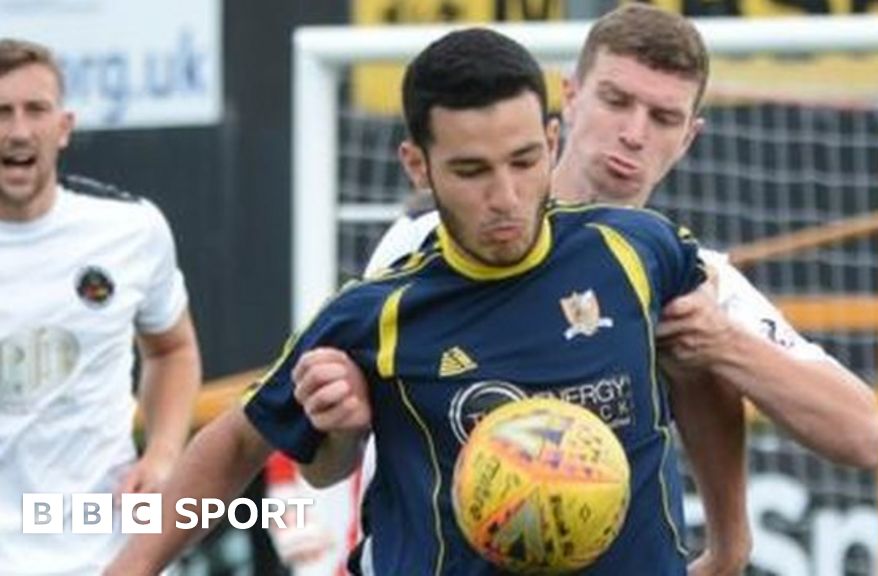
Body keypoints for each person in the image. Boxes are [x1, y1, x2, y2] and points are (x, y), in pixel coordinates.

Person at [282, 5, 878, 576]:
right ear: (568, 98)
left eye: (663, 117)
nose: (632, 133)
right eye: (615, 100)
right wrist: (336, 426)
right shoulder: (425, 240)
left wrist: (722, 343)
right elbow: (326, 461)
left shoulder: (685, 277)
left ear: (689, 137)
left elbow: (861, 436)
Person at [105, 26, 720, 575]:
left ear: (552, 138)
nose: (505, 196)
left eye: (524, 160)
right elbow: (238, 443)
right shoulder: (377, 313)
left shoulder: (640, 250)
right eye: (472, 170)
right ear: (417, 166)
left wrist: (731, 536)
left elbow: (708, 374)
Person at [0, 38, 201, 574]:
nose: (18, 131)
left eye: (34, 110)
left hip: (106, 553)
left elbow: (173, 349)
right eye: (1, 112)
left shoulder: (129, 229)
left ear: (63, 127)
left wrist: (161, 456)